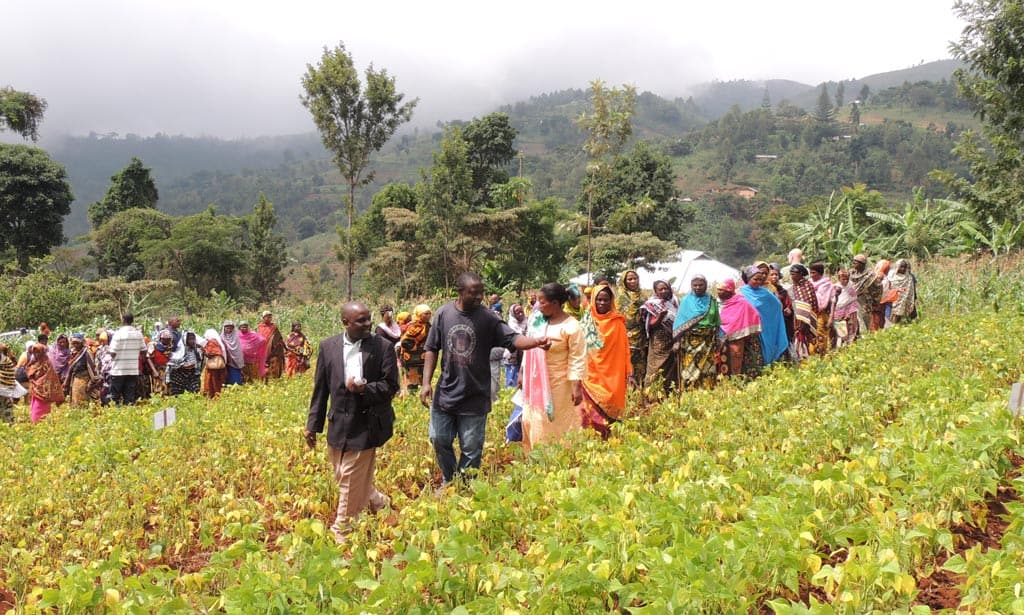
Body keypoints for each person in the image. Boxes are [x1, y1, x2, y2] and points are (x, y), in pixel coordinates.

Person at [420, 272, 549, 486]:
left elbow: (513, 338)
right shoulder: (443, 313)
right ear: (460, 292)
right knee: (438, 438)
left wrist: (535, 342)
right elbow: (431, 348)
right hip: (446, 392)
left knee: (471, 448)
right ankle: (450, 479)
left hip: (475, 393)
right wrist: (425, 383)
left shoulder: (488, 317)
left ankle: (466, 486)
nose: (480, 297)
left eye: (481, 292)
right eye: (474, 293)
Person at [305, 302, 400, 544]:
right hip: (338, 423)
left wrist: (364, 389)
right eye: (361, 321)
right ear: (345, 322)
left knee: (348, 479)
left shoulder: (383, 347)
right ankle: (379, 503)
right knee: (343, 476)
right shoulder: (328, 347)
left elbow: (391, 386)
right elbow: (320, 389)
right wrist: (312, 425)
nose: (368, 324)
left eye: (368, 319)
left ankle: (343, 530)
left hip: (368, 423)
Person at [520, 282, 586, 453]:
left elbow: (577, 357)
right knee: (534, 417)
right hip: (534, 381)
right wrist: (521, 372)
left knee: (556, 421)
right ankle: (535, 454)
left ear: (555, 303)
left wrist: (576, 386)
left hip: (558, 384)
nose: (538, 306)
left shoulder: (571, 326)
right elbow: (528, 347)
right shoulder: (537, 321)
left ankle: (559, 456)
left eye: (542, 302)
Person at [579, 283, 631, 439]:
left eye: (606, 300)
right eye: (599, 300)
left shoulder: (618, 322)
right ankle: (590, 439)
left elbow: (625, 350)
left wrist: (629, 371)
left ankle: (607, 438)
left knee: (610, 407)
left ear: (611, 301)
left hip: (612, 375)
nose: (602, 303)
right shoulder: (587, 321)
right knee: (586, 410)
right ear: (593, 300)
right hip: (590, 375)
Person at [673, 275, 720, 391]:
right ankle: (689, 393)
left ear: (706, 285)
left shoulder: (712, 300)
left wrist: (718, 338)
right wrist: (677, 341)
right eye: (695, 285)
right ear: (691, 286)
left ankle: (707, 393)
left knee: (708, 370)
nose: (698, 287)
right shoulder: (686, 301)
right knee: (690, 369)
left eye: (701, 285)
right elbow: (680, 323)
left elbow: (716, 321)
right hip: (690, 342)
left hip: (708, 342)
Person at [739, 266, 789, 369]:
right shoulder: (741, 293)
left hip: (764, 327)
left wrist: (768, 317)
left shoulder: (765, 292)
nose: (758, 282)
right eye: (755, 279)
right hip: (748, 329)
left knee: (764, 350)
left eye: (760, 279)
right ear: (748, 279)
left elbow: (777, 306)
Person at [716, 279, 764, 378]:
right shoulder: (716, 303)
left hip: (736, 338)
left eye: (722, 290)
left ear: (730, 291)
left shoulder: (741, 302)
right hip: (719, 337)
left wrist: (748, 331)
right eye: (718, 290)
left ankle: (735, 382)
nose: (719, 292)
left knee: (735, 361)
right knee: (720, 361)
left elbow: (754, 315)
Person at [641, 280, 679, 392]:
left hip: (672, 338)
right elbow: (650, 324)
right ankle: (651, 393)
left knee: (670, 367)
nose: (663, 291)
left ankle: (667, 393)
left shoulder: (674, 301)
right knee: (655, 368)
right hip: (658, 340)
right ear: (656, 291)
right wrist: (660, 317)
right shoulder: (652, 304)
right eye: (660, 289)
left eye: (665, 288)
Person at [616, 270, 648, 386]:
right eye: (630, 279)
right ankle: (626, 393)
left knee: (640, 365)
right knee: (627, 364)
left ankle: (639, 392)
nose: (633, 281)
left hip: (642, 336)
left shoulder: (643, 296)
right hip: (625, 336)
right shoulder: (620, 297)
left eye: (635, 278)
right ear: (624, 281)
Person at [108, 312, 147, 405]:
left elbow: (113, 353)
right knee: (129, 397)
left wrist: (107, 351)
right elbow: (144, 351)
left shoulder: (118, 334)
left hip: (118, 370)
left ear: (123, 320)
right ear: (132, 321)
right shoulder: (138, 334)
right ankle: (129, 415)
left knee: (115, 397)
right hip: (132, 369)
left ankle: (116, 415)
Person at [788, 264, 819, 362]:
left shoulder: (807, 285)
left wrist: (805, 318)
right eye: (791, 274)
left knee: (809, 337)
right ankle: (802, 358)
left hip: (808, 317)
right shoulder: (793, 287)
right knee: (799, 337)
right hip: (797, 318)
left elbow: (810, 302)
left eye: (794, 274)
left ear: (801, 274)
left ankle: (811, 358)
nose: (792, 277)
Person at [27, 344, 64, 422]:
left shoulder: (47, 363)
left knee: (40, 409)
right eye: (35, 353)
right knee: (34, 408)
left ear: (43, 352)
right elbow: (29, 372)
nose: (36, 354)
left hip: (43, 392)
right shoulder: (34, 362)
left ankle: (42, 424)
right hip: (35, 391)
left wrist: (38, 383)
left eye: (38, 352)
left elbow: (49, 377)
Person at [399, 304, 431, 390]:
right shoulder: (414, 326)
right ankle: (410, 398)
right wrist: (417, 347)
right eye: (425, 314)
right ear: (419, 315)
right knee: (412, 381)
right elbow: (405, 342)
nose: (428, 316)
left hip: (423, 358)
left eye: (429, 313)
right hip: (411, 358)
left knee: (424, 379)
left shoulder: (427, 325)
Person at [849, 254, 883, 336]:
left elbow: (878, 288)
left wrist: (875, 301)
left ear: (862, 264)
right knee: (852, 322)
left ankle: (865, 338)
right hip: (850, 302)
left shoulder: (870, 276)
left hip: (864, 302)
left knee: (865, 321)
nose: (854, 264)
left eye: (856, 262)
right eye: (853, 262)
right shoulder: (851, 273)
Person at [64, 333, 99, 406]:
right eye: (74, 343)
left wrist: (91, 383)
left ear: (82, 343)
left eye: (77, 343)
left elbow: (92, 367)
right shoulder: (74, 352)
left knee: (83, 401)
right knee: (75, 401)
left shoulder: (86, 352)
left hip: (84, 380)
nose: (75, 345)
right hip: (75, 380)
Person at [808, 263, 835, 355]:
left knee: (821, 336)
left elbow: (826, 302)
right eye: (810, 273)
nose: (811, 275)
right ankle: (812, 356)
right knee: (811, 335)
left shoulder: (827, 285)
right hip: (810, 313)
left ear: (820, 273)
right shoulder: (809, 283)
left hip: (821, 314)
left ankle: (822, 357)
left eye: (813, 273)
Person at [768, 264, 795, 347]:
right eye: (772, 274)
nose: (774, 277)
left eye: (776, 274)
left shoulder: (782, 291)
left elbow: (788, 304)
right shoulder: (765, 291)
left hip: (783, 321)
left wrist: (789, 310)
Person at [831, 269, 859, 347]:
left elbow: (853, 300)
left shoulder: (850, 288)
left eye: (847, 279)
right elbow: (833, 302)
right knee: (840, 333)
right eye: (843, 279)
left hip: (850, 313)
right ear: (839, 279)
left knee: (851, 332)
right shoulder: (835, 288)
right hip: (838, 314)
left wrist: (849, 313)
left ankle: (850, 346)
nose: (845, 281)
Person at [0, 343, 26, 424]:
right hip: (6, 391)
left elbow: (9, 375)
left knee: (6, 410)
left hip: (4, 391)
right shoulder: (7, 361)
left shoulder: (6, 362)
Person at [503, 304, 528, 387]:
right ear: (513, 314)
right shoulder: (510, 326)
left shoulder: (527, 323)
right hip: (512, 359)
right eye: (517, 312)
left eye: (522, 312)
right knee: (512, 385)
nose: (521, 314)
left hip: (525, 359)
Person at [886, 259, 918, 325]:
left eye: (904, 267)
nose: (903, 269)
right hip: (892, 300)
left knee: (901, 315)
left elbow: (911, 290)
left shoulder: (909, 277)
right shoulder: (891, 275)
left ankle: (901, 325)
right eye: (901, 267)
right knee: (891, 316)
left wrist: (913, 299)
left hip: (903, 300)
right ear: (897, 266)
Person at [258, 311, 286, 379]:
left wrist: (281, 345)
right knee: (262, 366)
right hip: (262, 349)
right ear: (263, 318)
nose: (269, 318)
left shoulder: (274, 327)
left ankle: (275, 380)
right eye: (267, 317)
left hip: (273, 350)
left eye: (270, 317)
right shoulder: (260, 327)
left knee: (274, 365)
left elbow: (279, 338)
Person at [146, 330, 174, 397]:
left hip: (168, 369)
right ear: (161, 339)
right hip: (158, 370)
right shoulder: (154, 345)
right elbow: (148, 358)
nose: (167, 341)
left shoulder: (170, 346)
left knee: (168, 388)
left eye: (169, 339)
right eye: (165, 339)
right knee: (159, 387)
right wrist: (154, 371)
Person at [202, 328, 228, 398]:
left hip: (213, 366)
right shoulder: (218, 341)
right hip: (220, 365)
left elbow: (211, 353)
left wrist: (203, 350)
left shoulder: (212, 342)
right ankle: (218, 394)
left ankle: (212, 395)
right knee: (219, 381)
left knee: (212, 381)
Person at [221, 320, 245, 385]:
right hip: (226, 361)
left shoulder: (236, 337)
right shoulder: (221, 338)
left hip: (235, 362)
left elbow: (238, 351)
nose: (229, 330)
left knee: (236, 379)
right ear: (224, 328)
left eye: (231, 328)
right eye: (227, 328)